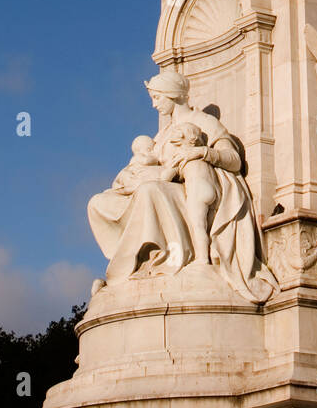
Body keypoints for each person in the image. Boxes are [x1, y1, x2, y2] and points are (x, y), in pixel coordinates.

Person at [86, 71, 276, 303]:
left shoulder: (205, 123)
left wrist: (201, 152)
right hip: (168, 185)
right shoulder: (163, 133)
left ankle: (149, 263)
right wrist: (130, 177)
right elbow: (151, 163)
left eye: (158, 97)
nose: (154, 104)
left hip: (192, 189)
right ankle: (133, 267)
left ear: (173, 95)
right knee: (98, 203)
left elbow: (234, 159)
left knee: (150, 191)